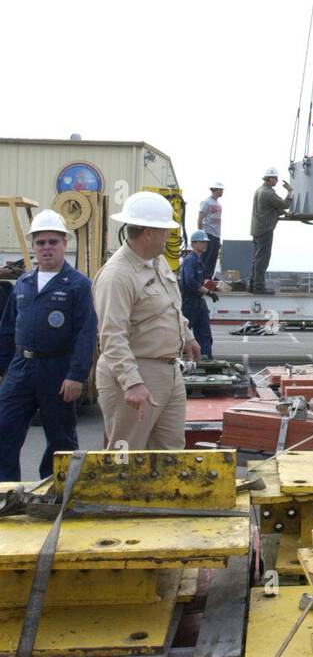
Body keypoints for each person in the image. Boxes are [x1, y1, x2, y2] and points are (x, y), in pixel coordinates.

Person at [92, 191, 200, 450]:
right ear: (149, 232)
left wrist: (187, 334)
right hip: (136, 373)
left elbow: (170, 306)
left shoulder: (157, 262)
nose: (169, 237)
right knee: (127, 456)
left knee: (170, 454)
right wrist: (133, 382)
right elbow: (111, 336)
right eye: (165, 231)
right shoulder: (117, 276)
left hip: (168, 372)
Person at [0, 210, 97, 482]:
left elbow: (85, 333)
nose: (46, 248)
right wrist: (3, 368)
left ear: (65, 243)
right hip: (20, 368)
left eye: (52, 242)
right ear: (33, 246)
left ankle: (53, 491)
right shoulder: (23, 283)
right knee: (5, 430)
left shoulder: (77, 285)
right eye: (40, 243)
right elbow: (8, 328)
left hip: (58, 370)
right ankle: (6, 491)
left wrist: (76, 375)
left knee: (61, 438)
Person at [250, 167, 291, 294]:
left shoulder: (259, 190)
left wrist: (280, 212)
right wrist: (290, 192)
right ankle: (259, 287)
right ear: (269, 179)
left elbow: (268, 208)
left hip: (257, 229)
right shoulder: (268, 193)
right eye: (275, 178)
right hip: (265, 229)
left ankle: (252, 285)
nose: (277, 181)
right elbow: (284, 204)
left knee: (256, 259)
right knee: (262, 259)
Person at [179, 231, 214, 359]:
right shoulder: (190, 260)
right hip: (189, 302)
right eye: (202, 242)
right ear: (194, 244)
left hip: (199, 302)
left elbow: (202, 281)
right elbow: (190, 281)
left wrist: (212, 288)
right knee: (184, 335)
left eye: (205, 242)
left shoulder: (199, 261)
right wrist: (207, 291)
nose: (205, 245)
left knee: (205, 335)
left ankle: (206, 361)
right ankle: (181, 360)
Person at [197, 184, 223, 280]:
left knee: (212, 259)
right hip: (208, 234)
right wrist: (201, 235)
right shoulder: (206, 202)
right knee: (206, 259)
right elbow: (200, 218)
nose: (222, 192)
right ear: (216, 190)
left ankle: (208, 281)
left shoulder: (218, 204)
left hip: (216, 235)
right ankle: (201, 280)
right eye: (221, 189)